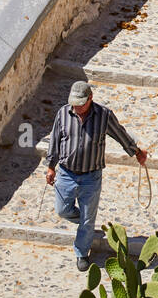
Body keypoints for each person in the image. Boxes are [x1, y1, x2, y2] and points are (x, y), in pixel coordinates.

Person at [45, 81, 147, 271]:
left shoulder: (104, 115)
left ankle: (81, 252)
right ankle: (87, 226)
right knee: (62, 210)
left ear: (90, 98)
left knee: (86, 219)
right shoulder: (63, 113)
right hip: (66, 173)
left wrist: (137, 152)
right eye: (74, 103)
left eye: (81, 103)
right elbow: (55, 140)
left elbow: (120, 135)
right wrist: (51, 167)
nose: (77, 107)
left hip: (92, 177)